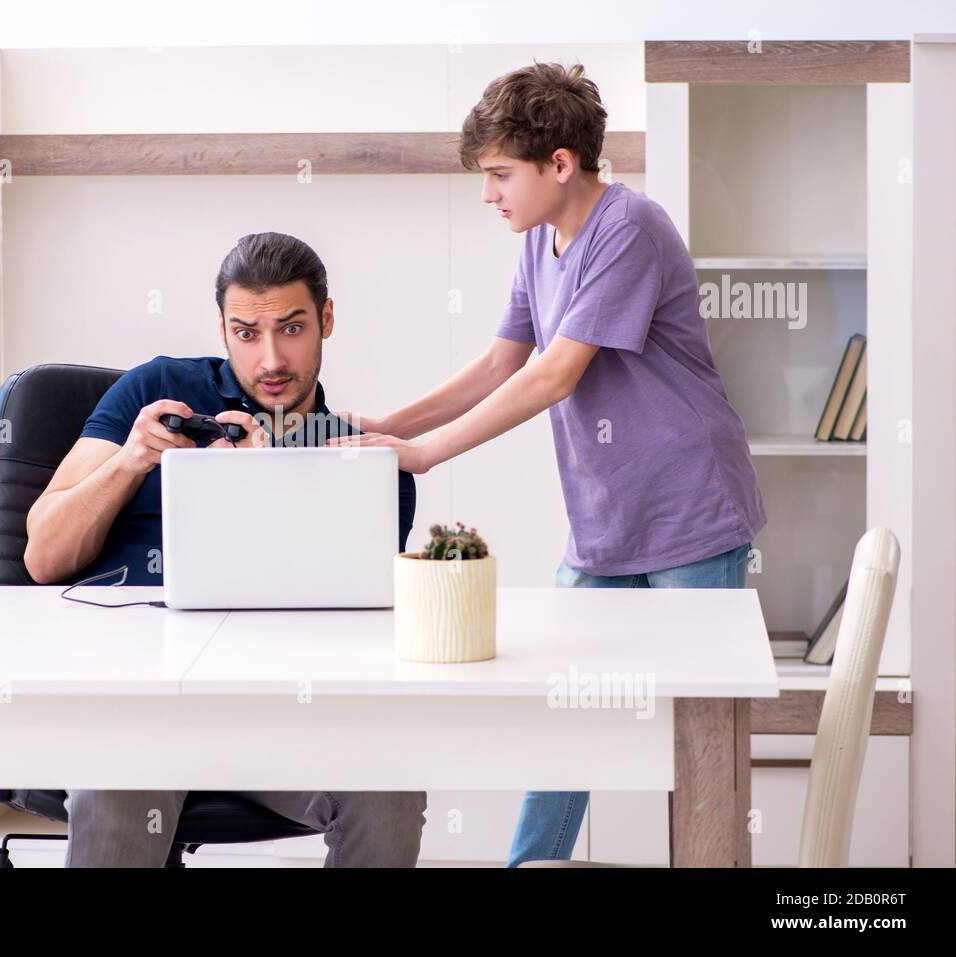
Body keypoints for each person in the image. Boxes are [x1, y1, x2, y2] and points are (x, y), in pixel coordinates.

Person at [325, 62, 766, 866]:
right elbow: (501, 364)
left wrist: (421, 453)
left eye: (500, 174)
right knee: (565, 727)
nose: (489, 195)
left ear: (560, 164)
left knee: (698, 746)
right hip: (606, 521)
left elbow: (553, 375)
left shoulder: (628, 227)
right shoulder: (540, 243)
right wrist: (393, 424)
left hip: (690, 512)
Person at [24, 231, 426, 866]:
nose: (270, 359)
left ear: (326, 319)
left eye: (292, 329)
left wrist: (259, 486)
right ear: (222, 331)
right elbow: (44, 557)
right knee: (115, 787)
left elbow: (359, 631)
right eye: (246, 333)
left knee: (388, 794)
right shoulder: (155, 391)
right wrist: (130, 463)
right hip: (134, 700)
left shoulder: (365, 461)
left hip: (273, 714)